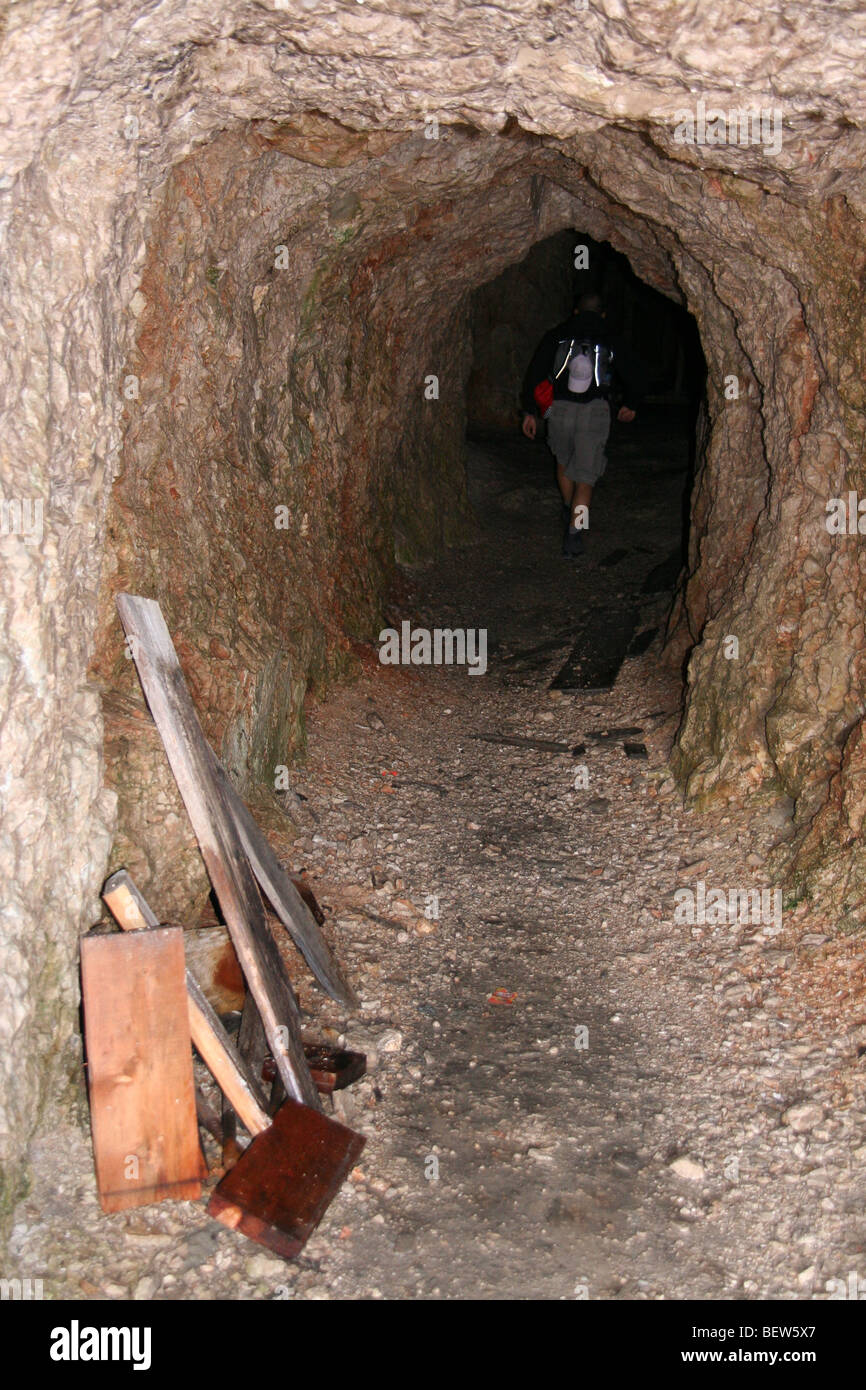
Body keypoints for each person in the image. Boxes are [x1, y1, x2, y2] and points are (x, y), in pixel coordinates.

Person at [521, 290, 647, 557]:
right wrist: (631, 403)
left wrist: (529, 411)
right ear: (602, 314)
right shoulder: (611, 337)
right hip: (595, 411)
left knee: (564, 463)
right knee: (586, 477)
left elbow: (535, 372)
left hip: (560, 409)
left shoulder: (557, 334)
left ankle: (568, 507)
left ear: (575, 311)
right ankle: (574, 536)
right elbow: (634, 373)